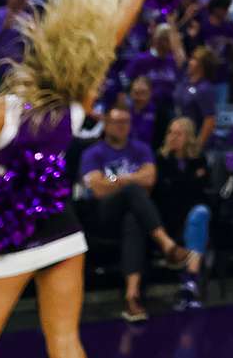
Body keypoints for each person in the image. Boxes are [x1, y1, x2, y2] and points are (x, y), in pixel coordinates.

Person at [0, 0, 144, 358]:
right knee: (65, 341)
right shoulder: (76, 106)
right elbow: (107, 43)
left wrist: (2, 196)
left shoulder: (3, 111)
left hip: (10, 238)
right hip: (63, 231)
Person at [80, 106, 192, 323]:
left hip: (135, 215)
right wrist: (127, 181)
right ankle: (167, 245)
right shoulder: (93, 153)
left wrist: (113, 180)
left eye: (125, 122)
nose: (121, 126)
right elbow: (97, 189)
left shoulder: (141, 148)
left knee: (133, 219)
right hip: (103, 215)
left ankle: (132, 297)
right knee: (133, 191)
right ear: (106, 124)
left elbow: (150, 180)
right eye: (116, 122)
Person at [154, 116, 212, 312]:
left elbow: (202, 191)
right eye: (170, 132)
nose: (172, 137)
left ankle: (189, 281)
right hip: (167, 217)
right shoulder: (160, 159)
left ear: (188, 137)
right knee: (198, 216)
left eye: (178, 133)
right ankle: (191, 282)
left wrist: (182, 184)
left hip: (193, 215)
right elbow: (164, 193)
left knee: (201, 213)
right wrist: (188, 181)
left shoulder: (199, 158)